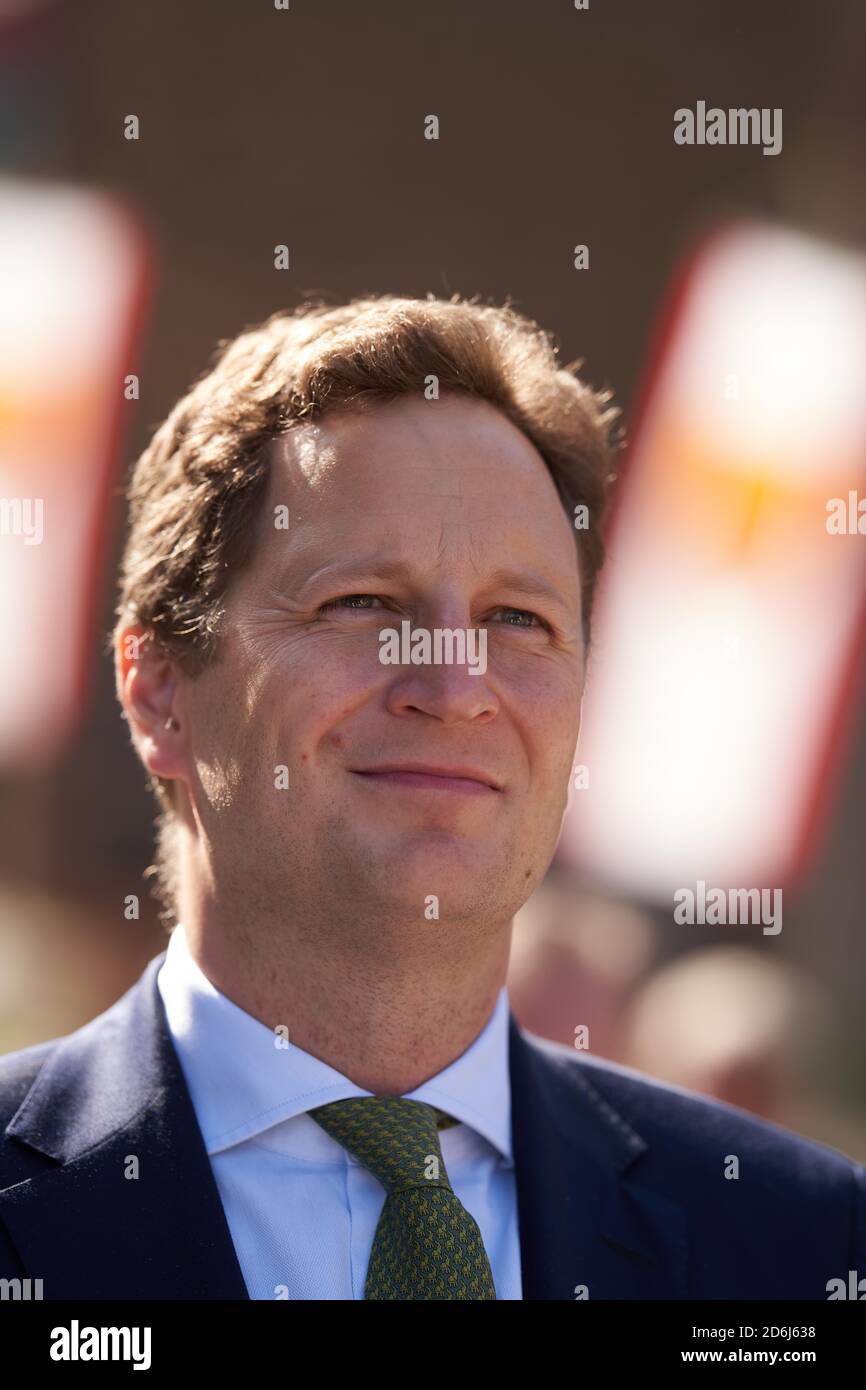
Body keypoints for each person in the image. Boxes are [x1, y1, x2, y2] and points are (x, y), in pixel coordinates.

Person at [0, 295, 862, 1300]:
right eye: (362, 603)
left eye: (516, 618)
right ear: (159, 691)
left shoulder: (798, 1248)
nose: (453, 687)